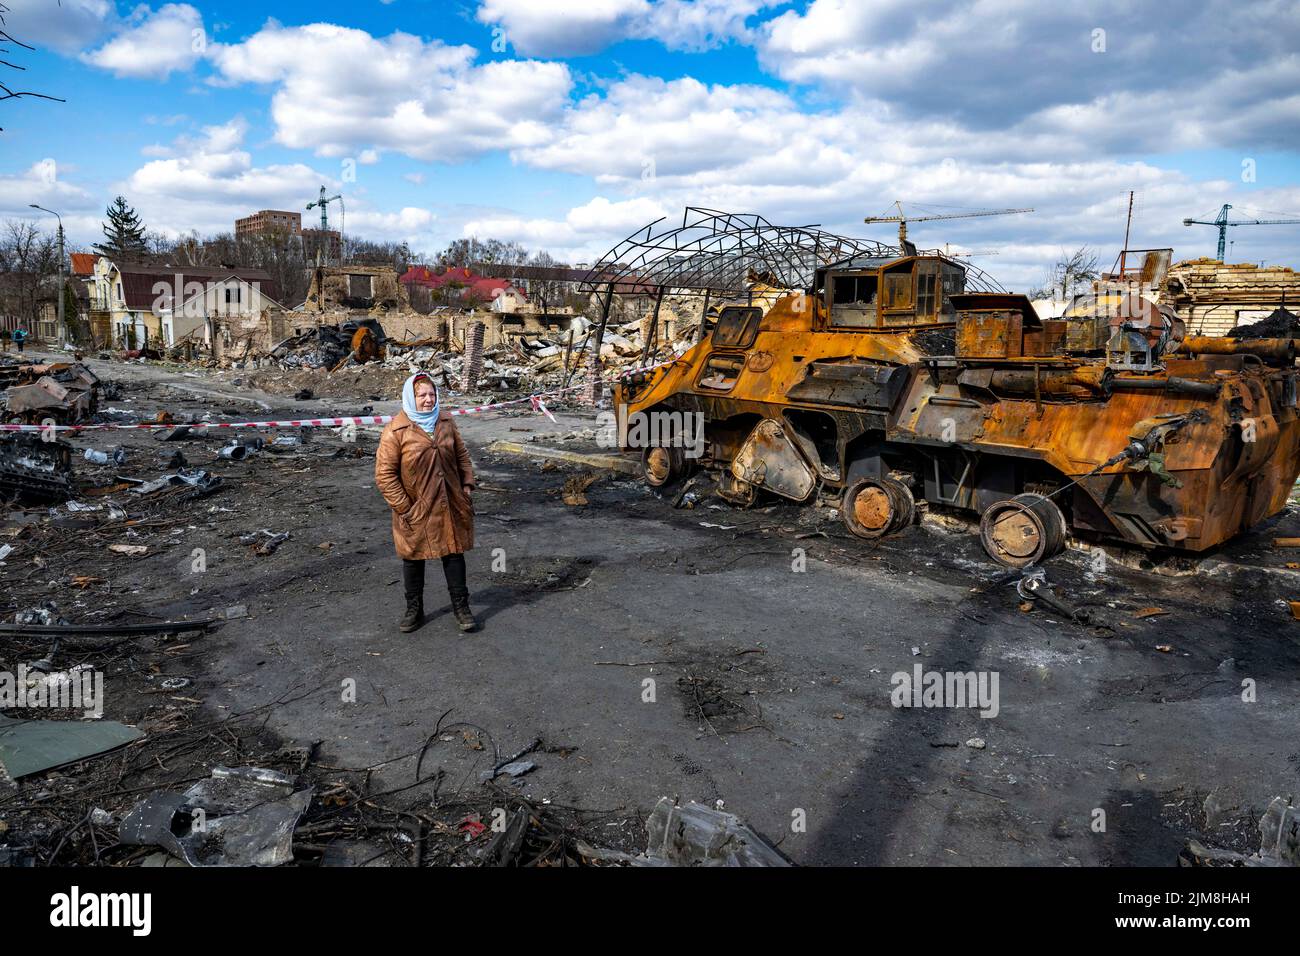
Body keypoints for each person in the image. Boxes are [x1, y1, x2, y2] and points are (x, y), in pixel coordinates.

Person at [375, 372, 478, 633]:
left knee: (453, 554)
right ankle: (414, 610)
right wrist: (405, 508)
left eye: (432, 394)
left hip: (449, 501)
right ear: (411, 397)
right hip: (415, 507)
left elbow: (462, 455)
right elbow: (385, 475)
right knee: (413, 558)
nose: (428, 400)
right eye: (422, 395)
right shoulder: (395, 431)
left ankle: (461, 607)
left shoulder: (446, 422)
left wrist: (466, 486)